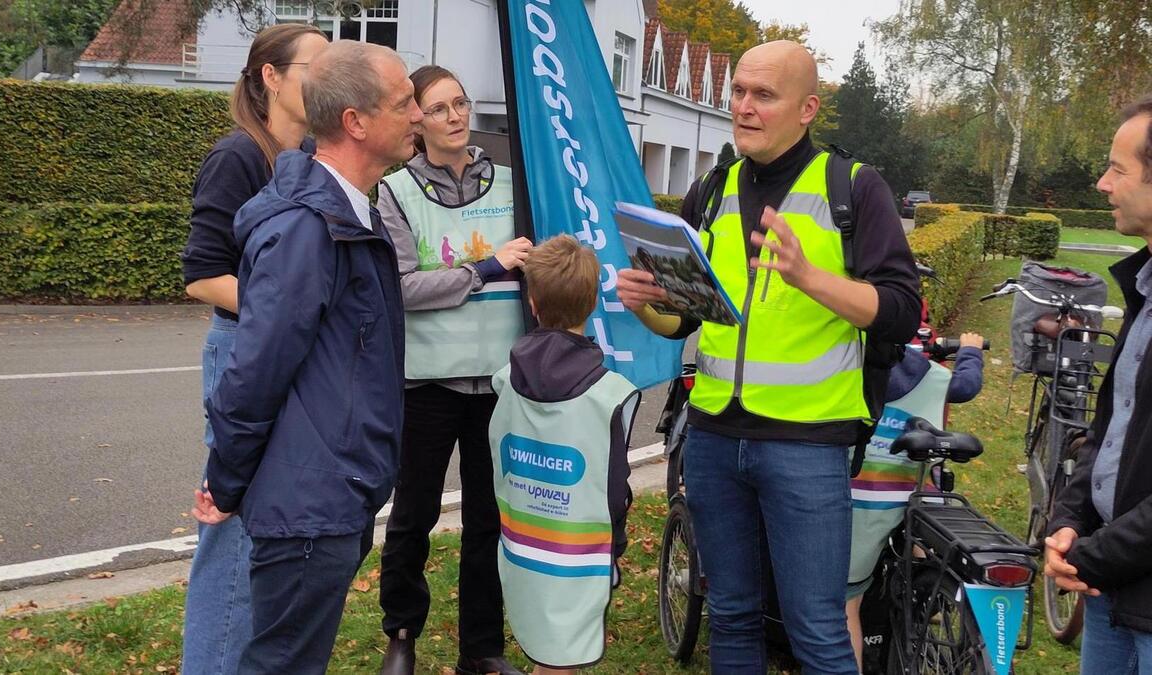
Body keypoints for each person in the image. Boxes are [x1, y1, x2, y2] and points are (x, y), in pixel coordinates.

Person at [616, 40, 920, 674]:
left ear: (807, 108)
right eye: (738, 92)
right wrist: (647, 302)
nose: (744, 108)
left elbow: (901, 310)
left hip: (808, 445)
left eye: (764, 95)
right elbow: (685, 322)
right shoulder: (711, 188)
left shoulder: (854, 188)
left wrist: (811, 277)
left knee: (817, 632)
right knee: (729, 614)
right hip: (713, 438)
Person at [190, 40, 421, 674]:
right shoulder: (307, 226)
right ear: (356, 122)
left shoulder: (346, 211)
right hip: (310, 503)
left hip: (329, 492)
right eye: (405, 103)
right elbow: (255, 373)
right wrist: (226, 481)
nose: (419, 115)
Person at [177, 22, 327, 675]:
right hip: (245, 349)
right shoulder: (239, 156)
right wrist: (289, 307)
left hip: (290, 351)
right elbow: (202, 274)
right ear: (271, 76)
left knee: (272, 534)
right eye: (315, 66)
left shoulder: (316, 157)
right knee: (234, 536)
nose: (328, 77)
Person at [375, 65, 530, 675]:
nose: (456, 116)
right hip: (428, 383)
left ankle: (482, 650)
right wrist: (485, 270)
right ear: (418, 119)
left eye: (460, 103)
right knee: (413, 513)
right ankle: (402, 634)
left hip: (497, 382)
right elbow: (399, 286)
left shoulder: (514, 184)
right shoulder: (395, 192)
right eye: (438, 108)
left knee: (489, 520)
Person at [488, 235, 640, 674]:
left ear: (532, 301)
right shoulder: (613, 396)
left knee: (546, 655)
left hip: (520, 548)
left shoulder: (504, 381)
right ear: (592, 303)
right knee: (562, 662)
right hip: (581, 559)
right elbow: (614, 490)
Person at [1045, 95, 1152, 673]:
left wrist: (1090, 555)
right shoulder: (1144, 290)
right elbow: (1112, 426)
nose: (1102, 183)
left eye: (1118, 168)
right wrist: (1070, 520)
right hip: (1111, 590)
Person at [845, 333, 985, 668]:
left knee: (844, 604)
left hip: (860, 499)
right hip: (913, 490)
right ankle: (928, 586)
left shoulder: (844, 364)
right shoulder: (928, 374)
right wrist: (970, 351)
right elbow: (966, 386)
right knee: (925, 536)